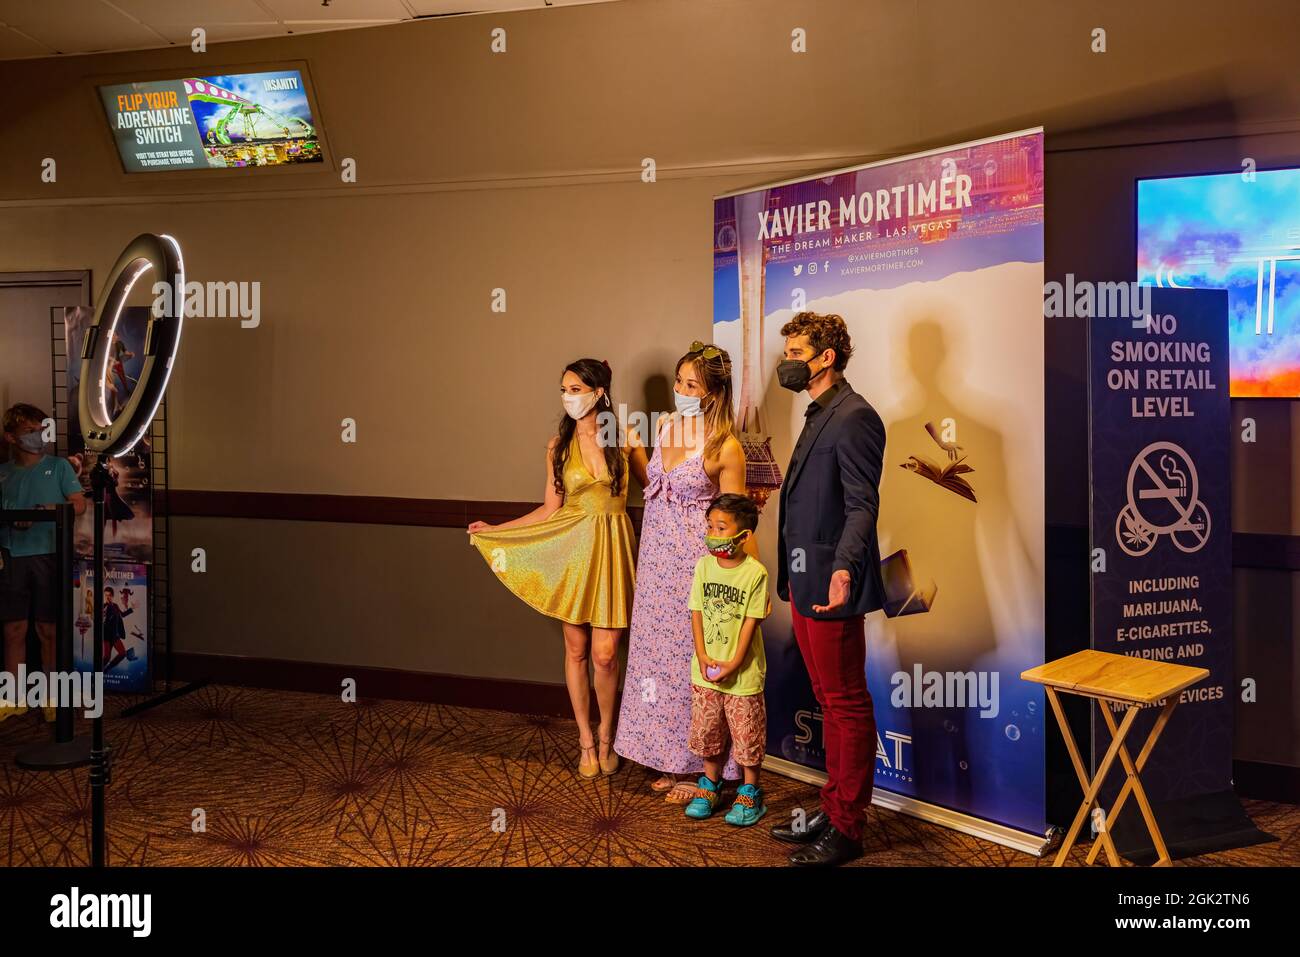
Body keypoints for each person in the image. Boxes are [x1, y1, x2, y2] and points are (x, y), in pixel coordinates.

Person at [468, 359, 639, 778]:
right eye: (564, 388)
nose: (568, 396)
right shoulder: (557, 446)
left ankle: (607, 736)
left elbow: (657, 489)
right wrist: (497, 529)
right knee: (577, 650)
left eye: (576, 388)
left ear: (599, 393)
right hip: (572, 552)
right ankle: (585, 740)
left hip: (613, 548)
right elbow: (550, 509)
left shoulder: (627, 436)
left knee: (605, 655)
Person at [767, 312, 887, 867]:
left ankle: (847, 827)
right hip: (805, 579)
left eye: (795, 351)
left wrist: (844, 569)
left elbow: (863, 507)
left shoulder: (856, 416)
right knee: (828, 699)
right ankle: (833, 803)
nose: (786, 361)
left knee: (844, 703)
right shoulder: (818, 412)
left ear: (825, 358)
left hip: (832, 584)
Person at [614, 342, 750, 804]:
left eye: (691, 384)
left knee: (695, 663)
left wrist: (738, 582)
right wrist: (633, 448)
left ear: (713, 391)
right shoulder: (668, 425)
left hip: (697, 568)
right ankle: (666, 757)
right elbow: (654, 486)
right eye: (679, 382)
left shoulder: (724, 446)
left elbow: (736, 517)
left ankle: (702, 768)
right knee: (659, 662)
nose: (681, 390)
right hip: (655, 565)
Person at [682, 493, 769, 826]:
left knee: (747, 735)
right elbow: (697, 612)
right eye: (710, 526)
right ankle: (710, 786)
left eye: (721, 528)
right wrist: (702, 656)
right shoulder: (704, 566)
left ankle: (750, 793)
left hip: (743, 676)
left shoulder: (755, 574)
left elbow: (751, 622)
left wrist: (733, 664)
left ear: (744, 535)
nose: (713, 534)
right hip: (705, 672)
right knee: (708, 732)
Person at [0, 403, 88, 721]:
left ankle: (52, 696)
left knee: (47, 629)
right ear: (10, 437)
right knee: (13, 629)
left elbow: (78, 505)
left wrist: (48, 509)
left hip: (49, 555)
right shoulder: (4, 474)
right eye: (28, 431)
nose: (37, 436)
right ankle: (12, 697)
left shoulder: (60, 467)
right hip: (12, 557)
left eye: (41, 430)